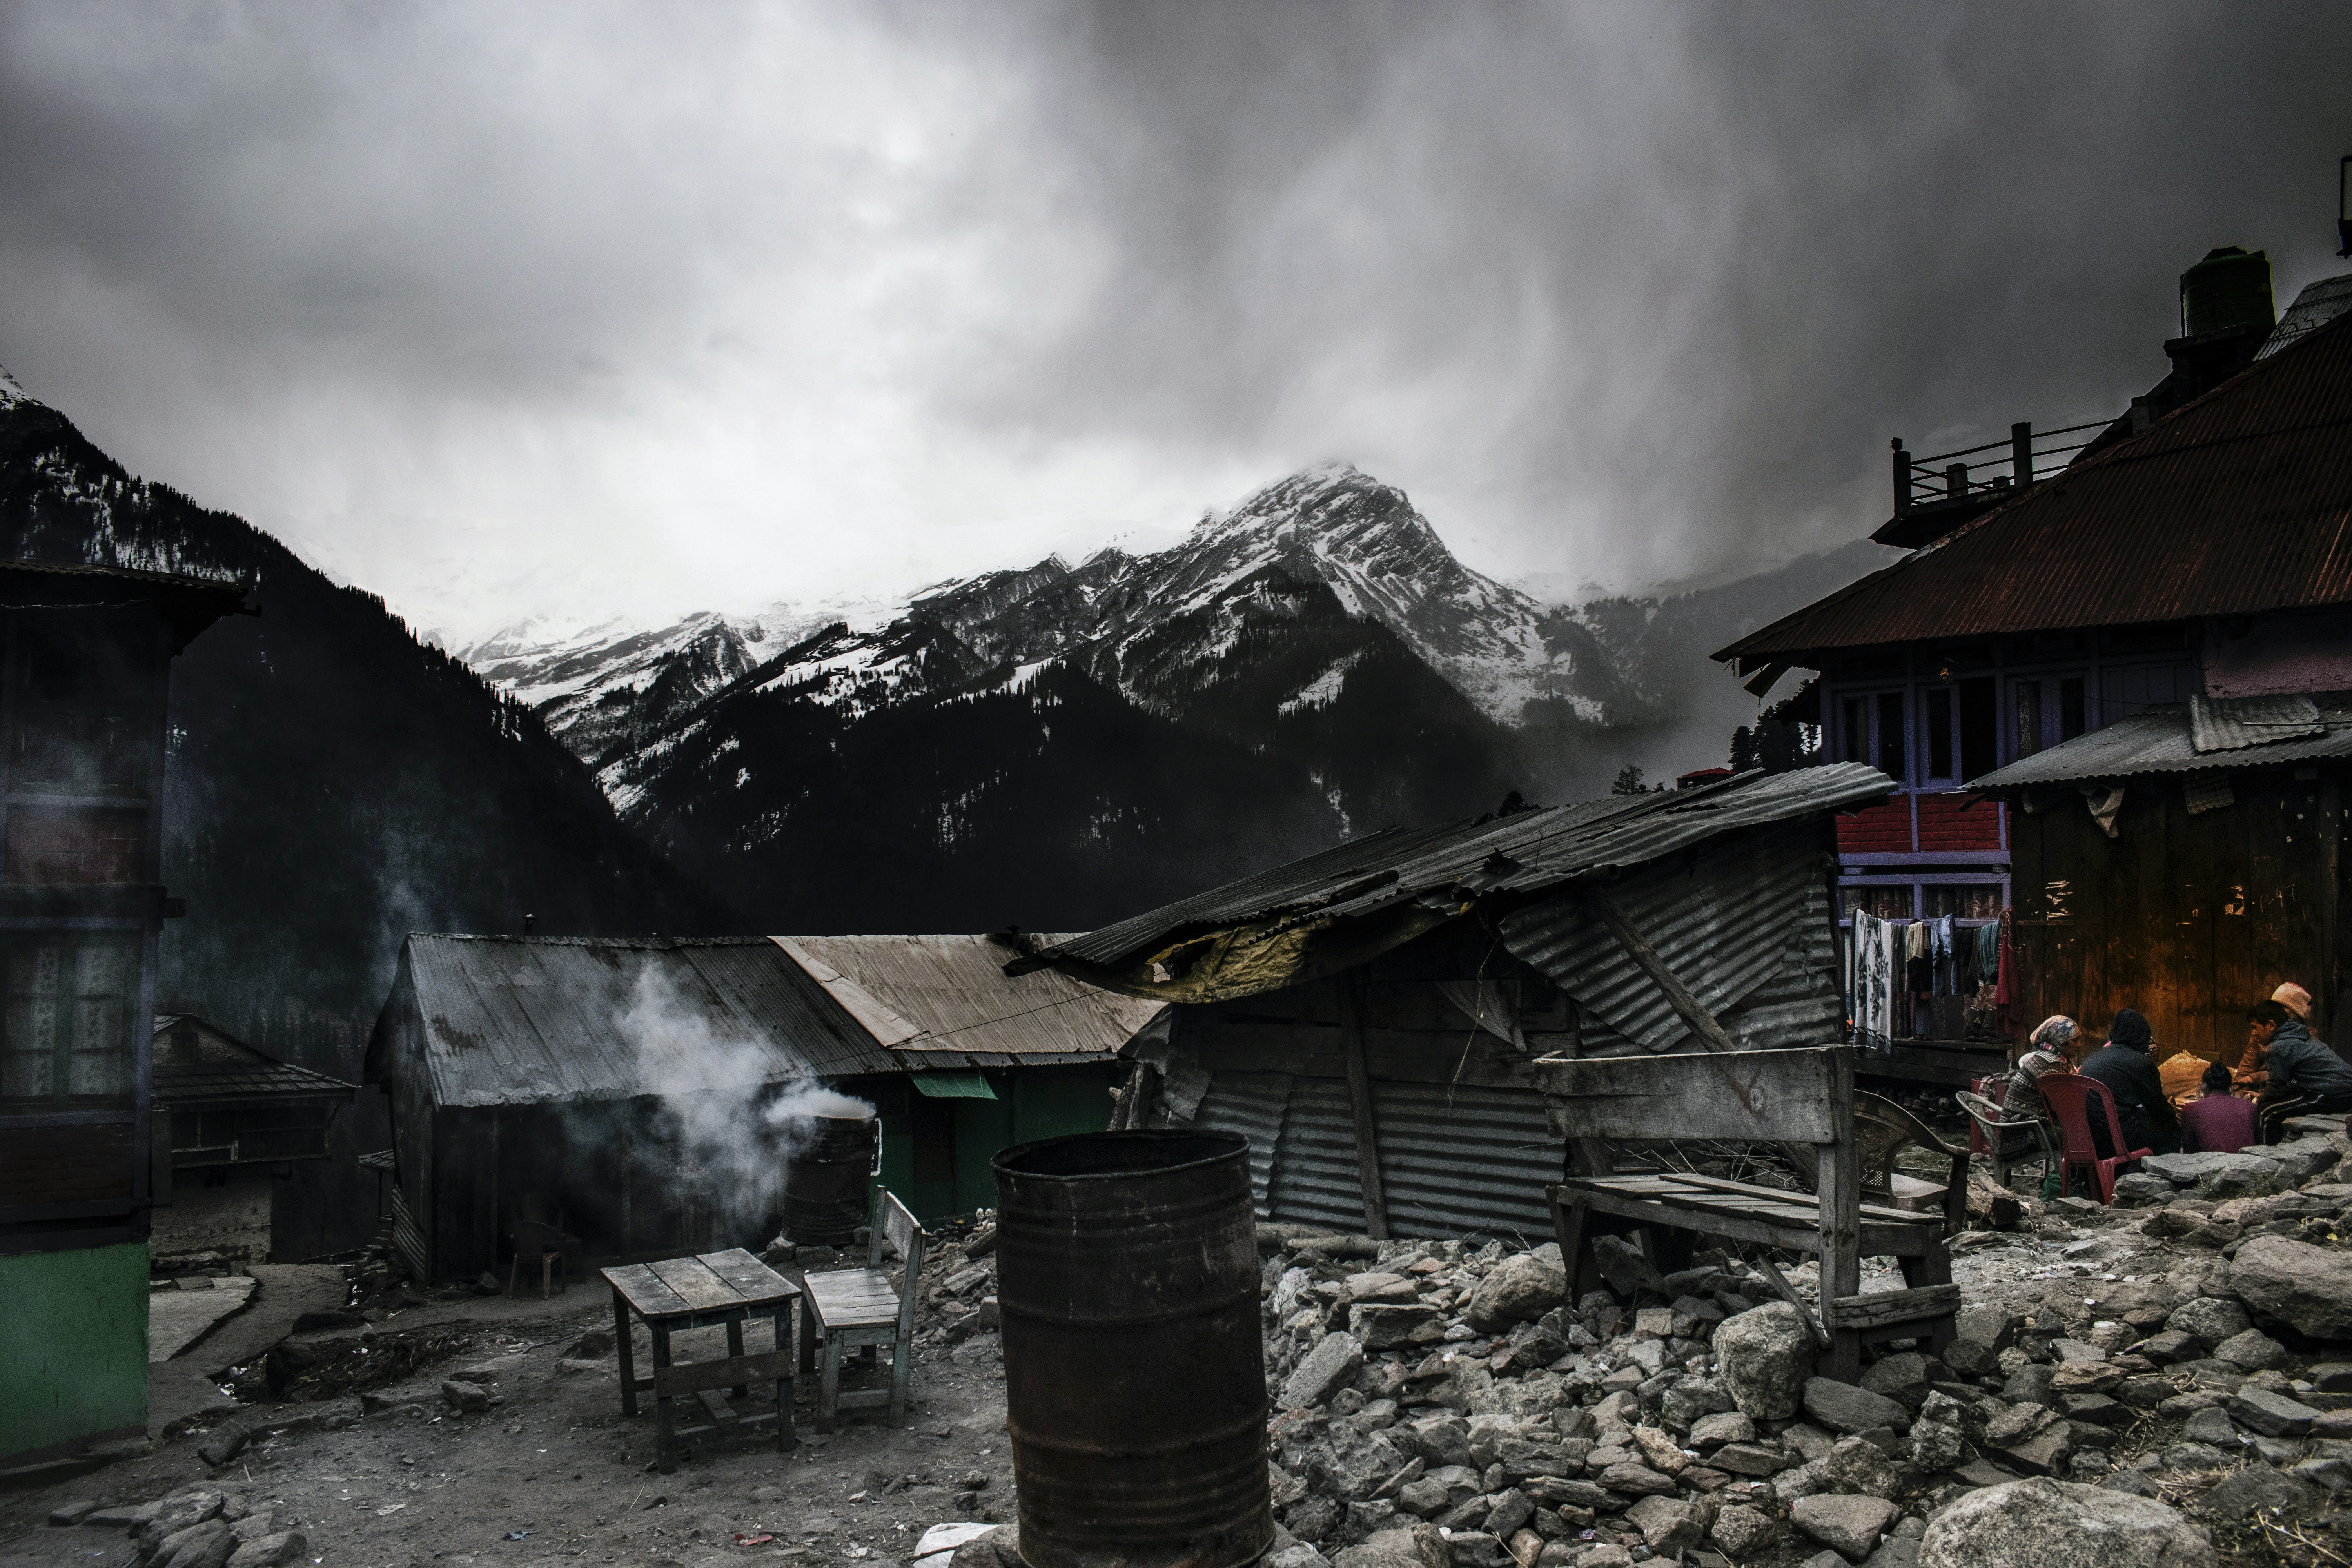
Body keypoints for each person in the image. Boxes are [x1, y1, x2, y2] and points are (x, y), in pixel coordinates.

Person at [2243, 998, 2352, 1144]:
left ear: (2270, 1025)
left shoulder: (2280, 1047)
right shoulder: (2299, 1035)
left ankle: (2267, 1158)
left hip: (2332, 1093)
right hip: (2340, 1089)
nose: (2254, 1034)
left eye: (2255, 1027)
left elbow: (2277, 1089)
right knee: (2269, 1106)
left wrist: (2258, 1099)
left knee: (2268, 1113)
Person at [2078, 1008, 2181, 1157]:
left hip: (2087, 1136)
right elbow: (2158, 1109)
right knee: (2170, 1129)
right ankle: (2159, 1177)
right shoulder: (2140, 1062)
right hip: (2115, 1137)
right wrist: (2173, 1112)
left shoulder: (2093, 1058)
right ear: (2143, 1037)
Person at [2003, 1016, 2078, 1124]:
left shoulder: (2045, 1056)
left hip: (2018, 1122)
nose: (2079, 1045)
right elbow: (2063, 1108)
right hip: (2025, 1130)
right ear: (2060, 1042)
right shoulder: (2052, 1064)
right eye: (2075, 1041)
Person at [2180, 1062, 2258, 1154]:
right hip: (2248, 1164)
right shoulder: (2249, 1107)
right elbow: (2258, 1143)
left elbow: (2190, 1152)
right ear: (2230, 1088)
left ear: (2203, 1086)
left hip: (2212, 1165)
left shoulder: (2190, 1110)